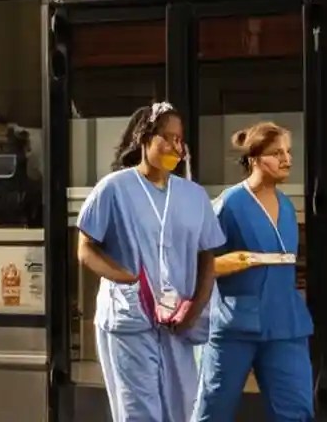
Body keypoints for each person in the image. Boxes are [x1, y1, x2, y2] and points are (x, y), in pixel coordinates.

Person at [76, 102, 225, 422]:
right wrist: (125, 279)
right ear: (145, 139)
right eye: (168, 138)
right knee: (139, 411)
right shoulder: (114, 189)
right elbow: (85, 249)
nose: (176, 146)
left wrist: (195, 308)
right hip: (130, 318)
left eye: (180, 140)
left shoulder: (194, 196)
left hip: (177, 322)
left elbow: (207, 258)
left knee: (181, 408)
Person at [194, 122, 314, 422]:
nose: (286, 159)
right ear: (254, 158)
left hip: (286, 324)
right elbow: (194, 264)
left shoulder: (287, 207)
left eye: (288, 152)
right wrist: (234, 261)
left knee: (297, 411)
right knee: (213, 410)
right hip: (236, 325)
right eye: (276, 153)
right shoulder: (228, 204)